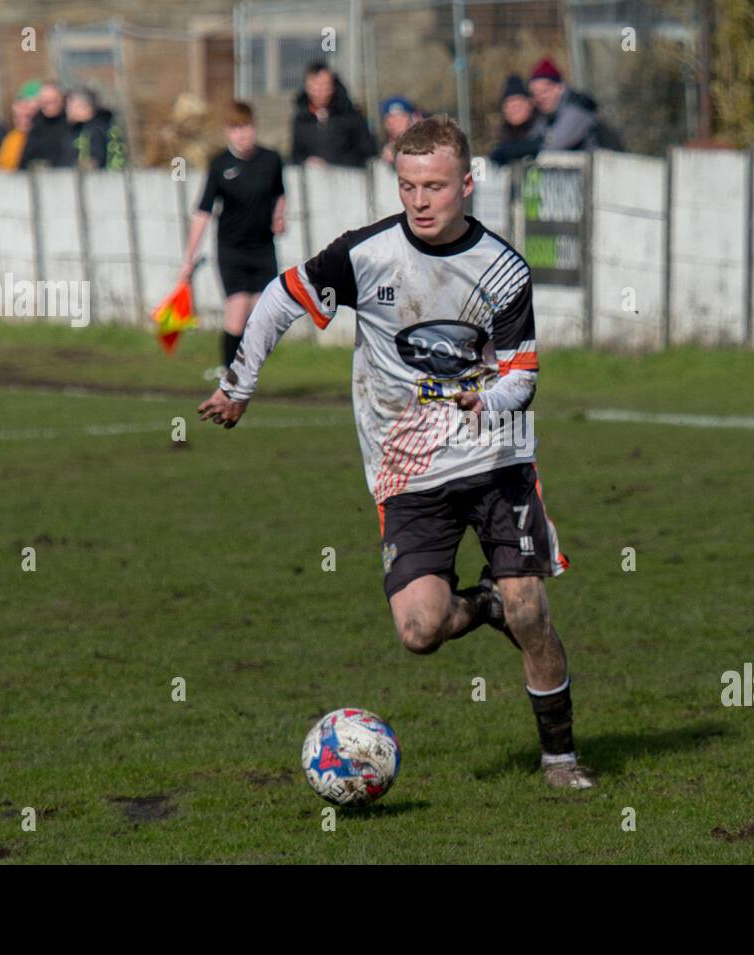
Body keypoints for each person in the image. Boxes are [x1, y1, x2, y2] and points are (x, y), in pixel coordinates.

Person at [196, 115, 590, 790]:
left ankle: (560, 759)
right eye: (408, 185)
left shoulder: (501, 268)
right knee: (420, 629)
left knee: (532, 607)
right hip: (408, 474)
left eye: (435, 185)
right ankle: (486, 603)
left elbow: (523, 375)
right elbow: (279, 297)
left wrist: (486, 403)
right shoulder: (365, 255)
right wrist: (239, 383)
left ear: (466, 184)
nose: (420, 200)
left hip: (495, 459)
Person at [179, 100, 286, 378]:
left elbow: (279, 194)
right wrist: (188, 258)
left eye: (247, 127)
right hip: (231, 250)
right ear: (228, 131)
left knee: (261, 316)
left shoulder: (271, 160)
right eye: (237, 129)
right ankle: (229, 374)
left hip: (263, 248)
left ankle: (247, 370)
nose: (243, 134)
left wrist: (279, 217)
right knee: (237, 313)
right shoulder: (219, 165)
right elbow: (203, 212)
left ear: (255, 127)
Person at [290, 62, 377, 168]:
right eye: (315, 86)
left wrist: (332, 165)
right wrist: (307, 162)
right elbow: (296, 156)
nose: (320, 91)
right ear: (307, 87)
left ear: (332, 86)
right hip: (313, 179)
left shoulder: (351, 116)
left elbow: (368, 151)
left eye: (324, 85)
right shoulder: (300, 119)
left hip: (348, 178)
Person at [526, 58, 618, 151]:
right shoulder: (546, 116)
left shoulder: (577, 109)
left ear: (560, 88)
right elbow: (532, 138)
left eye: (544, 91)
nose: (540, 98)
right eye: (535, 93)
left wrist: (522, 148)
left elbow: (555, 146)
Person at [488, 74, 543, 166]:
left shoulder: (542, 125)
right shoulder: (504, 134)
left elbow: (542, 146)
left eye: (518, 103)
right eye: (509, 105)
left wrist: (508, 151)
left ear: (530, 103)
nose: (514, 109)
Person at [65, 87, 125, 170]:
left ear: (85, 107)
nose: (68, 111)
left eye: (71, 107)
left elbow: (96, 160)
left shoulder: (96, 130)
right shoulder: (79, 128)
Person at [19, 81, 71, 169]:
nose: (48, 105)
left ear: (61, 100)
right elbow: (26, 157)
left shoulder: (70, 123)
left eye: (52, 101)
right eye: (45, 101)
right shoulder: (36, 124)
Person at [0, 81, 40, 171]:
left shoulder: (40, 136)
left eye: (27, 116)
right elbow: (2, 167)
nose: (23, 121)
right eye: (18, 116)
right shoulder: (11, 138)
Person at [379, 96, 422, 164]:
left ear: (413, 119)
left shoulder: (425, 144)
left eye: (400, 118)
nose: (395, 123)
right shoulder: (378, 146)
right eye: (390, 119)